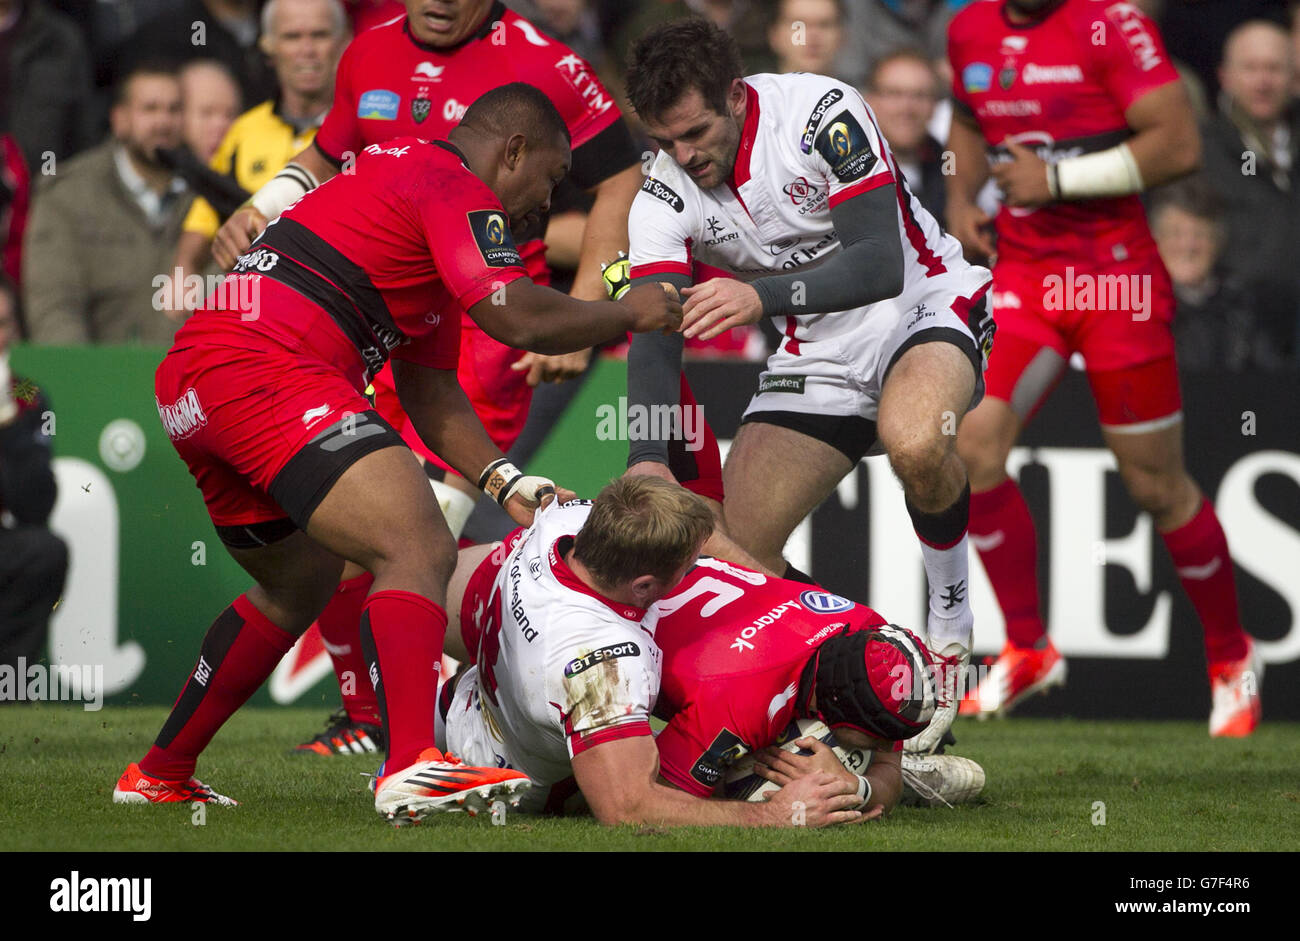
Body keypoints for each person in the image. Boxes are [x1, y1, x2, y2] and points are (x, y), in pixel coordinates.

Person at [111, 84, 682, 821]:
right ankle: (413, 759)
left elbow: (432, 395)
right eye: (546, 178)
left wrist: (506, 483)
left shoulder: (411, 203)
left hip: (196, 380)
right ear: (512, 151)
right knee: (416, 542)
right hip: (264, 365)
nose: (544, 204)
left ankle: (161, 770)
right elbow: (518, 318)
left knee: (297, 585)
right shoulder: (451, 181)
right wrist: (628, 309)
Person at [214, 0, 648, 755]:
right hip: (382, 314)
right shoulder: (367, 52)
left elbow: (621, 177)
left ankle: (406, 729)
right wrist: (266, 203)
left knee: (415, 525)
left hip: (488, 317)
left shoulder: (548, 62)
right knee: (361, 531)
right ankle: (376, 719)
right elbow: (327, 155)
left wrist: (592, 299)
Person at [619, 17, 995, 755]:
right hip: (816, 349)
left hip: (921, 302)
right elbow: (655, 328)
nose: (683, 155)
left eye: (695, 132)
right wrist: (647, 456)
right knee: (730, 551)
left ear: (734, 94)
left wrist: (760, 297)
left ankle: (950, 632)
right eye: (666, 141)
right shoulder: (661, 190)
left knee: (916, 438)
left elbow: (879, 262)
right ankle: (885, 675)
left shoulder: (821, 112)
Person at [946, 0, 1261, 735]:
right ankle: (1028, 644)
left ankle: (1230, 652)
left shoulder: (1112, 23)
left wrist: (1056, 183)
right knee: (972, 443)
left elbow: (1180, 145)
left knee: (1156, 483)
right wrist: (962, 195)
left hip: (1116, 280)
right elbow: (965, 115)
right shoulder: (968, 28)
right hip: (1027, 274)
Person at [437, 477, 895, 827]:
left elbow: (447, 577)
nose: (700, 568)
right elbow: (628, 807)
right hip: (501, 766)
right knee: (705, 776)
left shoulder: (567, 517)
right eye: (688, 566)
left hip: (481, 681)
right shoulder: (605, 664)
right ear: (643, 587)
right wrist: (771, 816)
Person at [167, 0, 349, 318]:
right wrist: (183, 272)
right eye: (292, 37)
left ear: (344, 42)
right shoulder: (243, 130)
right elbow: (206, 210)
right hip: (257, 309)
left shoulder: (364, 130)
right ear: (268, 46)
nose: (307, 49)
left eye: (319, 35)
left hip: (339, 307)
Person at [22, 62, 191, 345]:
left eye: (174, 110)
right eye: (150, 109)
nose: (163, 122)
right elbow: (54, 307)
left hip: (191, 383)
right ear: (119, 119)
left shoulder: (210, 197)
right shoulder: (67, 195)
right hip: (96, 379)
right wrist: (81, 379)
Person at [1200, 19, 1300, 365]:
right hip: (1233, 344)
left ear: (1293, 76)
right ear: (1225, 76)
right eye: (1251, 68)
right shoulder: (1200, 151)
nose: (1262, 81)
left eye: (1274, 69)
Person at [0, 276, 67, 676]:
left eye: (3, 323)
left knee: (45, 551)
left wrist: (8, 425)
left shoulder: (27, 394)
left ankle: (10, 690)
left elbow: (37, 505)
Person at [1149, 179, 1283, 373]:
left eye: (1200, 234)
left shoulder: (1246, 309)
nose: (1188, 246)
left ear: (1218, 241)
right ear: (1155, 239)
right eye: (1175, 233)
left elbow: (1270, 387)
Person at [863, 48, 946, 222]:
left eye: (919, 95)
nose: (906, 108)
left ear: (935, 106)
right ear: (869, 101)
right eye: (894, 94)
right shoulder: (842, 173)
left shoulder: (953, 174)